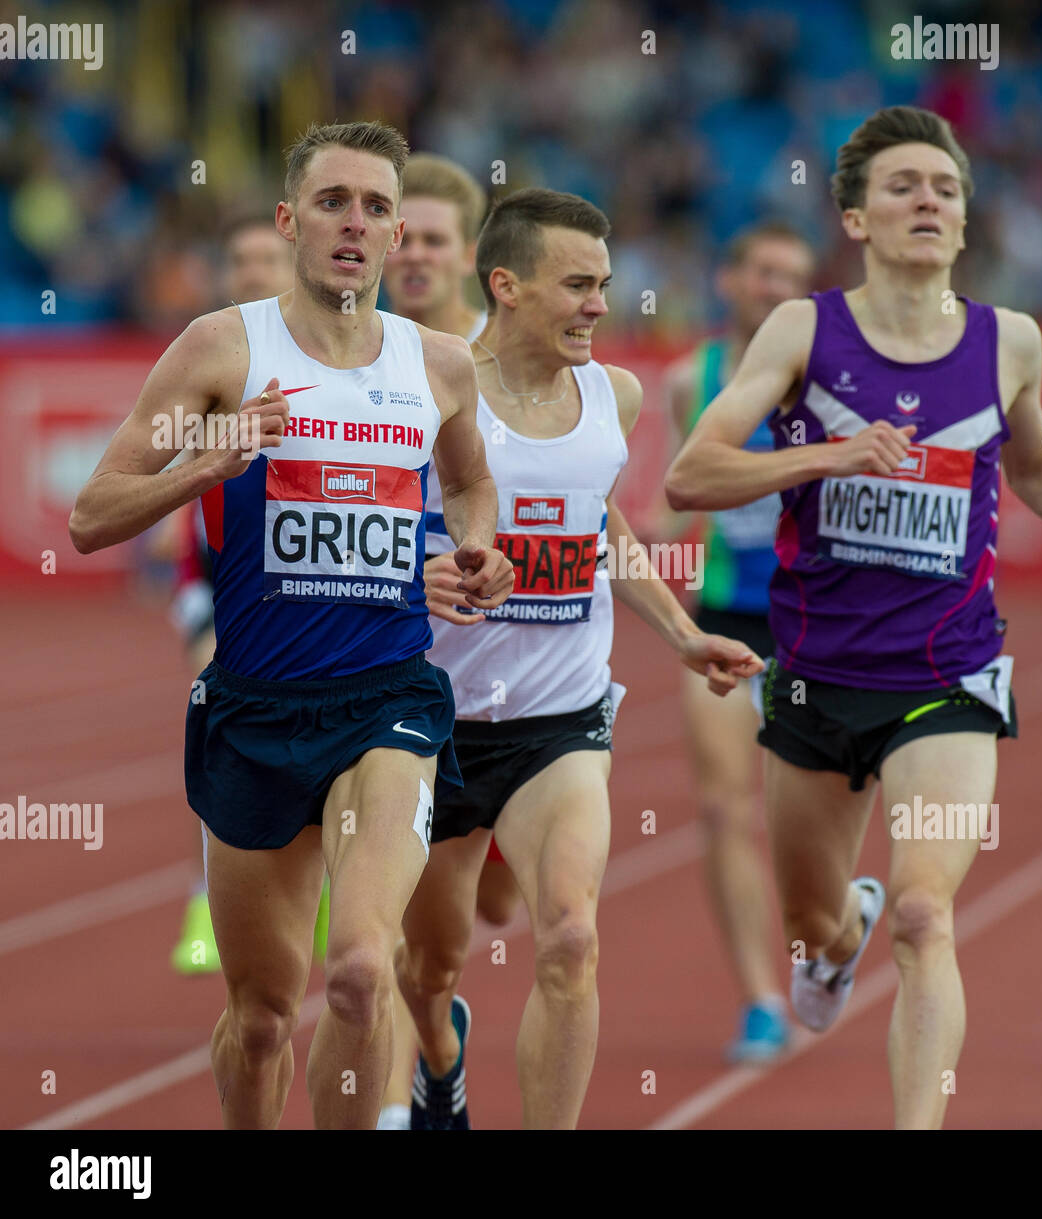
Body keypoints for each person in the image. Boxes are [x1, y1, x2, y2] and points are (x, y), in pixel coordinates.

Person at [665, 105, 1042, 1129]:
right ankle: (837, 941)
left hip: (947, 678)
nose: (925, 199)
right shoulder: (804, 330)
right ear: (855, 217)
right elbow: (691, 474)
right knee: (815, 921)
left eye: (944, 187)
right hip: (812, 673)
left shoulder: (1007, 341)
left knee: (926, 915)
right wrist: (826, 455)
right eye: (901, 186)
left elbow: (1031, 464)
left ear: (966, 221)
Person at [68, 120, 515, 1129]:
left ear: (397, 234)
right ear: (290, 220)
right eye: (332, 202)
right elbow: (92, 516)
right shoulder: (223, 346)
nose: (354, 224)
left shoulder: (439, 366)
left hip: (388, 703)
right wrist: (207, 462)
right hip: (256, 710)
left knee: (360, 970)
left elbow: (472, 482)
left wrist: (476, 550)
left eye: (374, 207)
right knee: (264, 1015)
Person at [394, 187, 764, 1129]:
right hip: (429, 723)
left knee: (569, 939)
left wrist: (681, 635)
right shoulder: (430, 391)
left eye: (605, 284)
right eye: (578, 285)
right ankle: (440, 1054)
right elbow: (373, 533)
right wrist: (425, 572)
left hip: (560, 727)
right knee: (428, 966)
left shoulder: (615, 393)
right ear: (507, 285)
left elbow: (602, 526)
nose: (602, 305)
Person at [375, 152, 521, 1131]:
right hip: (386, 678)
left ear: (468, 253)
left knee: (481, 922)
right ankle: (399, 1102)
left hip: (514, 689)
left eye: (434, 239)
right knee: (378, 925)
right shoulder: (354, 359)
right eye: (402, 239)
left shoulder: (510, 365)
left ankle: (440, 1033)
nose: (415, 255)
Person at [662, 220, 815, 1062]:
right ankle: (760, 995)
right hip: (725, 617)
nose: (776, 288)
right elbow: (682, 491)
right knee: (724, 808)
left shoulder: (829, 381)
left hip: (817, 625)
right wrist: (637, 529)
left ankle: (825, 931)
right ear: (732, 280)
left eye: (793, 276)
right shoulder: (696, 378)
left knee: (809, 812)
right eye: (764, 272)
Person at [170, 213, 303, 976]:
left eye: (264, 257)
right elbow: (176, 453)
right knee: (216, 704)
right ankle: (206, 896)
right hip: (217, 580)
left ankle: (303, 888)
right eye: (238, 258)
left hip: (304, 586)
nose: (251, 270)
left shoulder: (323, 352)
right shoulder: (215, 345)